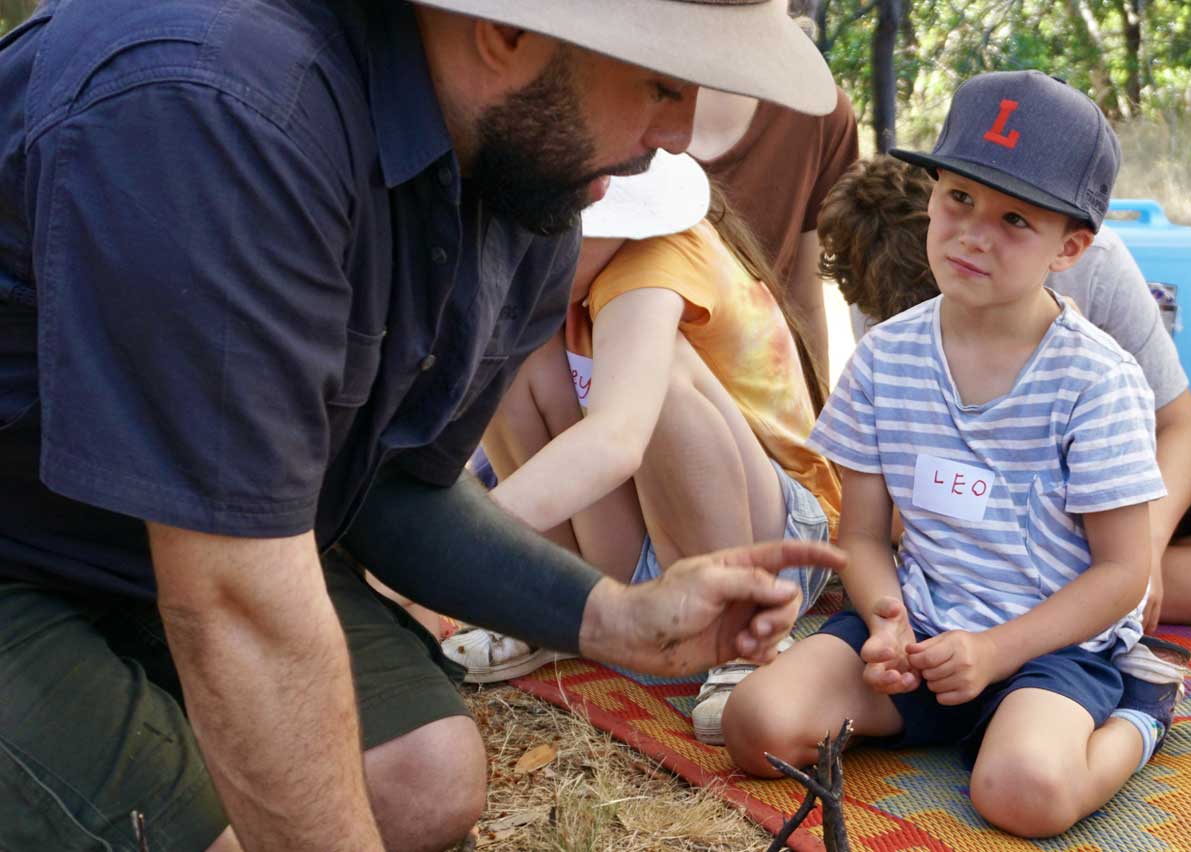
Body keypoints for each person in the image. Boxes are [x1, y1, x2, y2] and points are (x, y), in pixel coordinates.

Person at [0, 1, 846, 850]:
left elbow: (392, 483)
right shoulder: (222, 106)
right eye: (661, 85)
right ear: (507, 32)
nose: (681, 132)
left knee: (423, 779)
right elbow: (234, 597)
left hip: (160, 539)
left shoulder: (530, 173)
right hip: (28, 550)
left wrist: (610, 616)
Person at [721, 71, 1188, 839]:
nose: (974, 233)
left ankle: (1138, 717)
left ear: (1070, 247)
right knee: (757, 726)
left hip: (1047, 649)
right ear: (930, 194)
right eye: (959, 198)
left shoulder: (1097, 380)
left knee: (1023, 795)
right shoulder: (884, 358)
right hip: (926, 636)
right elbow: (864, 537)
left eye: (1015, 220)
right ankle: (924, 718)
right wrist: (884, 621)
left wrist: (998, 650)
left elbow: (1121, 574)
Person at [439, 151, 840, 740]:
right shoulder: (568, 283)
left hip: (767, 534)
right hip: (651, 532)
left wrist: (458, 538)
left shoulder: (654, 266)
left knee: (662, 379)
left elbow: (617, 438)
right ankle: (551, 605)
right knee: (514, 347)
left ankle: (742, 625)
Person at [824, 155, 1191, 628]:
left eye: (1010, 223)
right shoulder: (887, 315)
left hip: (1092, 517)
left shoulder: (1095, 267)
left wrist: (1143, 552)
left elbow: (1181, 428)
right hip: (959, 533)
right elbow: (874, 499)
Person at [689, 81, 860, 389]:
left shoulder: (820, 113)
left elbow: (805, 301)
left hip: (761, 393)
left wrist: (814, 423)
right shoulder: (610, 82)